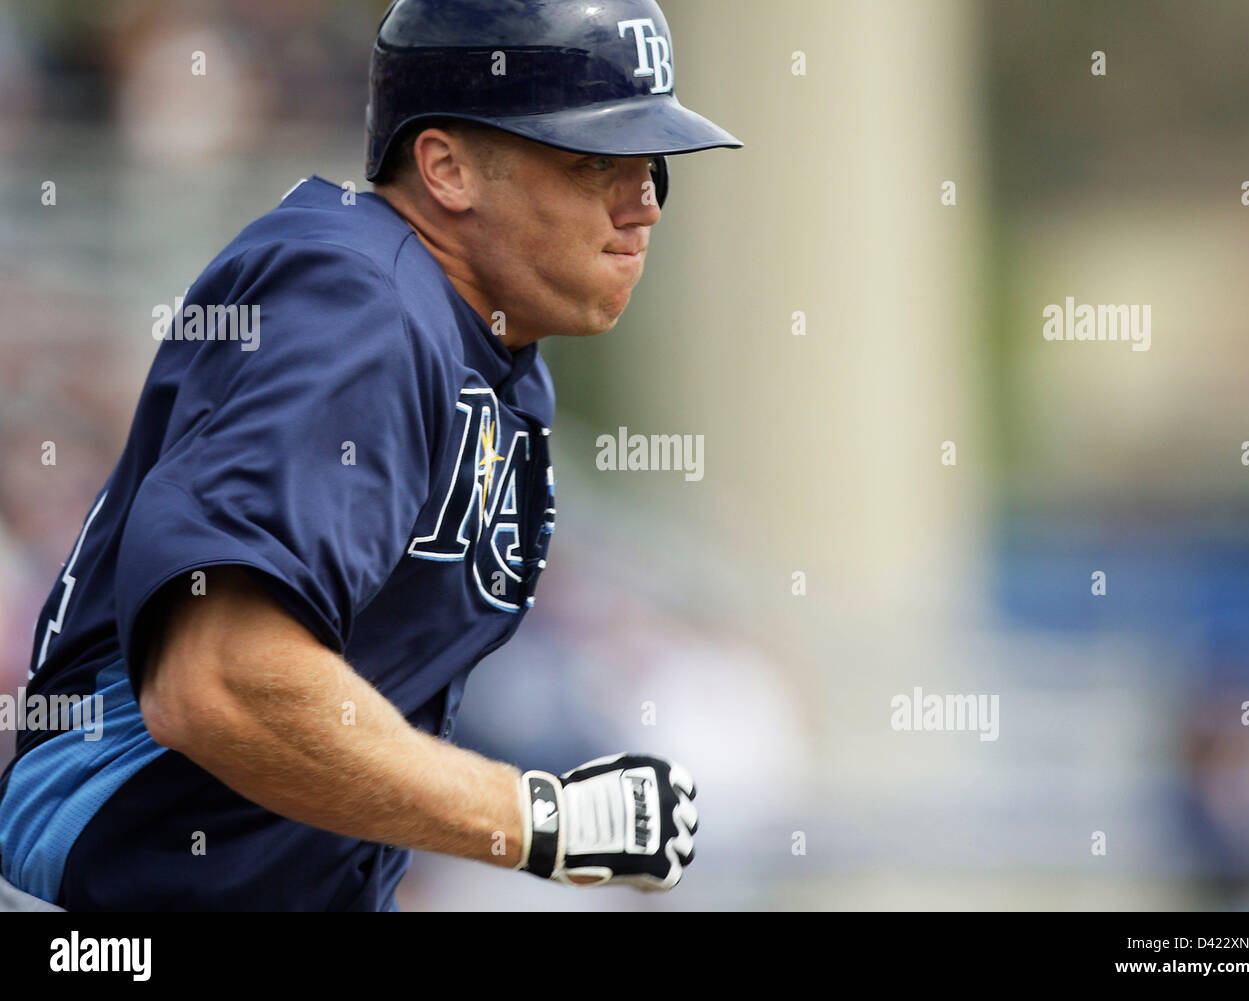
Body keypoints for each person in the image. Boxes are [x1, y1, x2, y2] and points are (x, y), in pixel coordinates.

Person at [0, 0, 740, 911]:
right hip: (115, 893)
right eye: (597, 161)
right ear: (446, 166)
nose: (645, 204)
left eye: (653, 165)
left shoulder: (490, 354)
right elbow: (218, 679)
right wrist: (542, 816)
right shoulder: (361, 303)